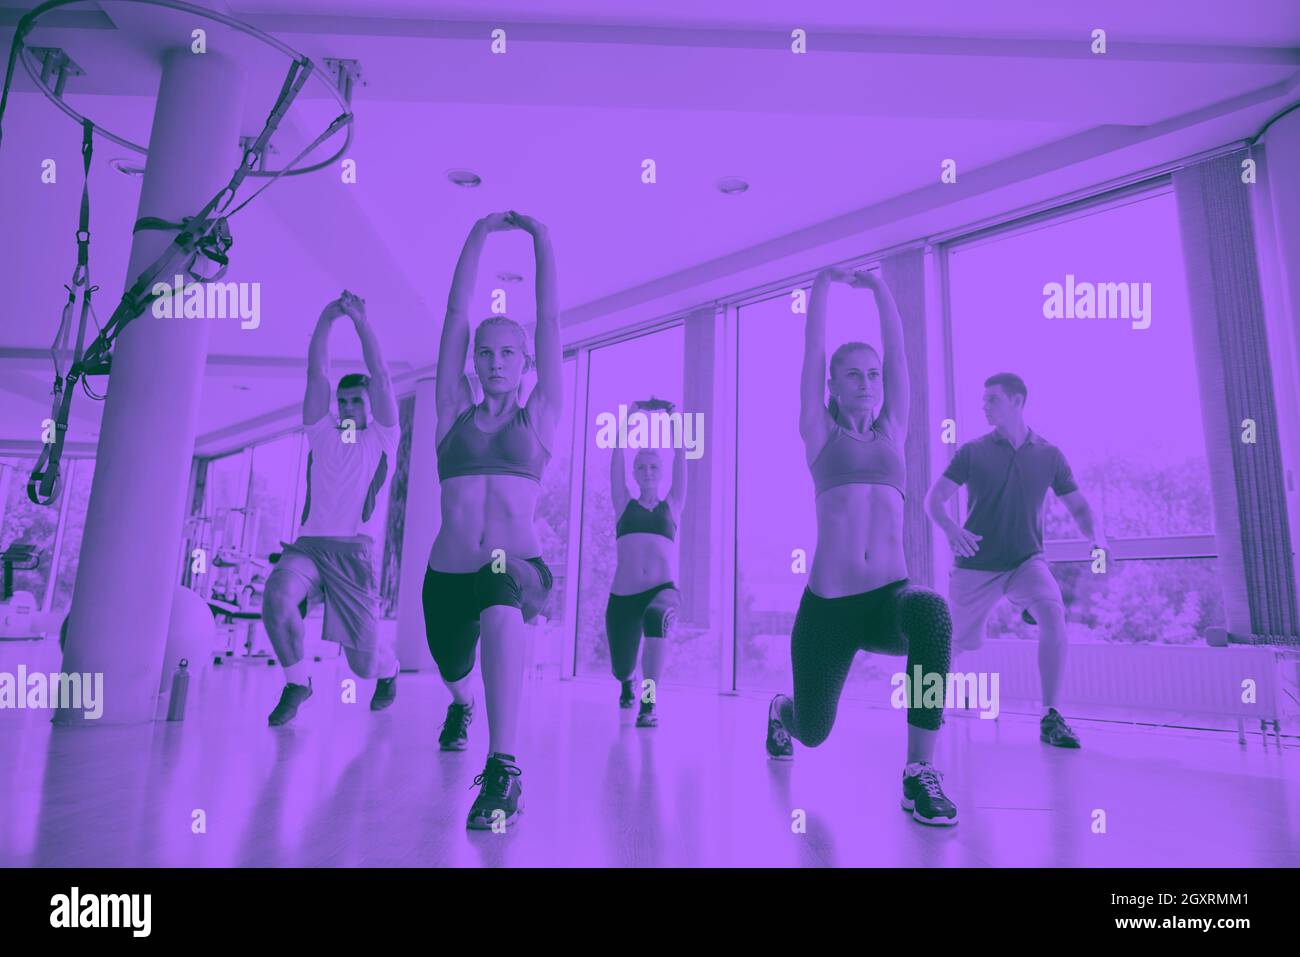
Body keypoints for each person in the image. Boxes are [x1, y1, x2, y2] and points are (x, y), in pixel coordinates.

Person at [764, 266, 959, 826]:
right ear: (833, 385)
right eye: (852, 375)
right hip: (829, 611)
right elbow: (813, 349)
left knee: (931, 612)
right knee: (814, 732)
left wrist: (880, 288)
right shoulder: (819, 433)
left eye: (871, 375)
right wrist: (823, 287)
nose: (867, 383)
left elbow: (900, 356)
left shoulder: (893, 430)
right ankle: (783, 710)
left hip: (887, 602)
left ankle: (919, 773)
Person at [424, 211, 562, 830]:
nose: (495, 361)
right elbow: (455, 317)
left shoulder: (539, 417)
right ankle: (462, 703)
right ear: (474, 362)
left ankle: (503, 769)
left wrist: (541, 242)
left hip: (517, 569)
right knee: (452, 668)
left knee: (498, 585)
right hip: (446, 576)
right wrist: (475, 233)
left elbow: (552, 323)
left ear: (525, 361)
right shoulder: (451, 411)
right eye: (485, 353)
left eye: (509, 352)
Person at [924, 372, 1106, 748]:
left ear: (1017, 401)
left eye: (992, 399)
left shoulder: (1049, 455)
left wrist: (1097, 539)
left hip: (1026, 561)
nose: (984, 406)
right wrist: (952, 531)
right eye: (984, 399)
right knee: (949, 641)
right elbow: (934, 500)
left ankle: (1051, 717)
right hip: (975, 564)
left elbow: (1079, 507)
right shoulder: (972, 452)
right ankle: (928, 709)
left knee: (1053, 613)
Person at [263, 291, 401, 726]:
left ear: (369, 406)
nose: (345, 407)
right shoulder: (322, 434)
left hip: (353, 555)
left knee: (362, 667)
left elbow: (379, 375)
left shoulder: (381, 438)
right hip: (310, 547)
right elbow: (316, 372)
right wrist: (326, 318)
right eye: (342, 401)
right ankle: (297, 682)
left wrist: (359, 320)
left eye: (355, 402)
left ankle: (389, 669)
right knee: (277, 597)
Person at [606, 399, 686, 727]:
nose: (648, 472)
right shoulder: (623, 503)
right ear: (635, 473)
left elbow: (682, 456)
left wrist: (673, 420)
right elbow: (616, 454)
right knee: (621, 667)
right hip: (623, 596)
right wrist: (629, 417)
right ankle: (628, 682)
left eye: (654, 467)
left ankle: (648, 701)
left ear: (661, 473)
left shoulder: (673, 505)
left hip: (663, 591)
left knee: (657, 619)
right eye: (642, 467)